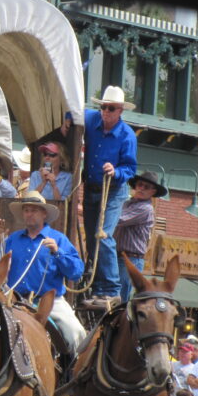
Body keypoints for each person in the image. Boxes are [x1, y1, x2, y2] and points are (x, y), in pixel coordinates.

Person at [62, 85, 137, 304]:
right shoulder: (92, 118)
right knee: (93, 239)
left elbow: (130, 169)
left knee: (103, 236)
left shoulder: (127, 136)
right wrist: (67, 119)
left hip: (112, 191)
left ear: (120, 110)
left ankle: (112, 288)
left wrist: (115, 171)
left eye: (111, 108)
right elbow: (74, 110)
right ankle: (98, 287)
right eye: (103, 107)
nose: (105, 111)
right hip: (92, 188)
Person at [0, 191, 86, 354]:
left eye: (34, 210)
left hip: (50, 302)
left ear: (44, 214)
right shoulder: (12, 239)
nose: (29, 214)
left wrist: (58, 252)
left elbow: (76, 273)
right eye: (26, 210)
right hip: (14, 300)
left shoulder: (59, 239)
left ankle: (74, 369)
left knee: (76, 334)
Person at [114, 170, 168, 303]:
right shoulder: (127, 203)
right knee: (112, 295)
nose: (141, 188)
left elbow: (117, 219)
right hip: (119, 257)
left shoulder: (145, 208)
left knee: (119, 299)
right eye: (140, 184)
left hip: (130, 259)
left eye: (146, 187)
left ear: (153, 192)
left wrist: (90, 211)